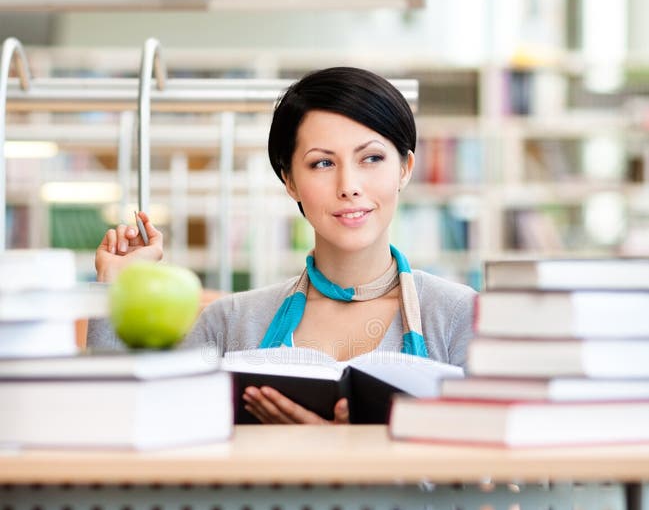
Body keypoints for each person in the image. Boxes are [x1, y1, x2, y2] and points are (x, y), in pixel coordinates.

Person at [91, 66, 477, 424]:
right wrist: (115, 290)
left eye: (371, 158)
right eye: (322, 163)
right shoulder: (229, 324)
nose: (349, 185)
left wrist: (350, 451)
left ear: (405, 169)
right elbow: (121, 421)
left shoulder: (460, 316)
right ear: (289, 180)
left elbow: (495, 479)